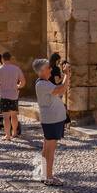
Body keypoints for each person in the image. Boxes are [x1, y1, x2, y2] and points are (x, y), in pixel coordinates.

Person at [33, 58, 70, 186]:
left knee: (46, 148)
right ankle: (49, 176)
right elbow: (61, 90)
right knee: (50, 149)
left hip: (52, 120)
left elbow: (57, 92)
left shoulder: (45, 83)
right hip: (52, 120)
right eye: (49, 67)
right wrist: (67, 74)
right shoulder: (42, 84)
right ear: (42, 70)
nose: (51, 69)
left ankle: (45, 174)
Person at [0, 52, 25, 141]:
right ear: (10, 59)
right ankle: (14, 132)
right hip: (14, 95)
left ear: (2, 59)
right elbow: (23, 82)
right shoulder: (16, 69)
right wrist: (18, 86)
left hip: (3, 95)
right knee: (14, 115)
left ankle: (7, 135)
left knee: (6, 117)